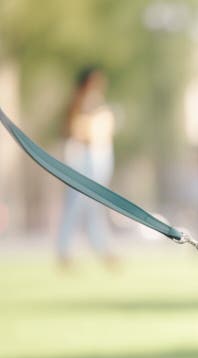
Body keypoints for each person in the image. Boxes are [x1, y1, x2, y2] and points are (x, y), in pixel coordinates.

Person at [57, 66, 117, 268]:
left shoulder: (98, 103)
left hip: (99, 155)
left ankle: (101, 247)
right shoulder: (78, 102)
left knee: (94, 206)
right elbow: (74, 130)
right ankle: (65, 251)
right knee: (75, 205)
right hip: (83, 157)